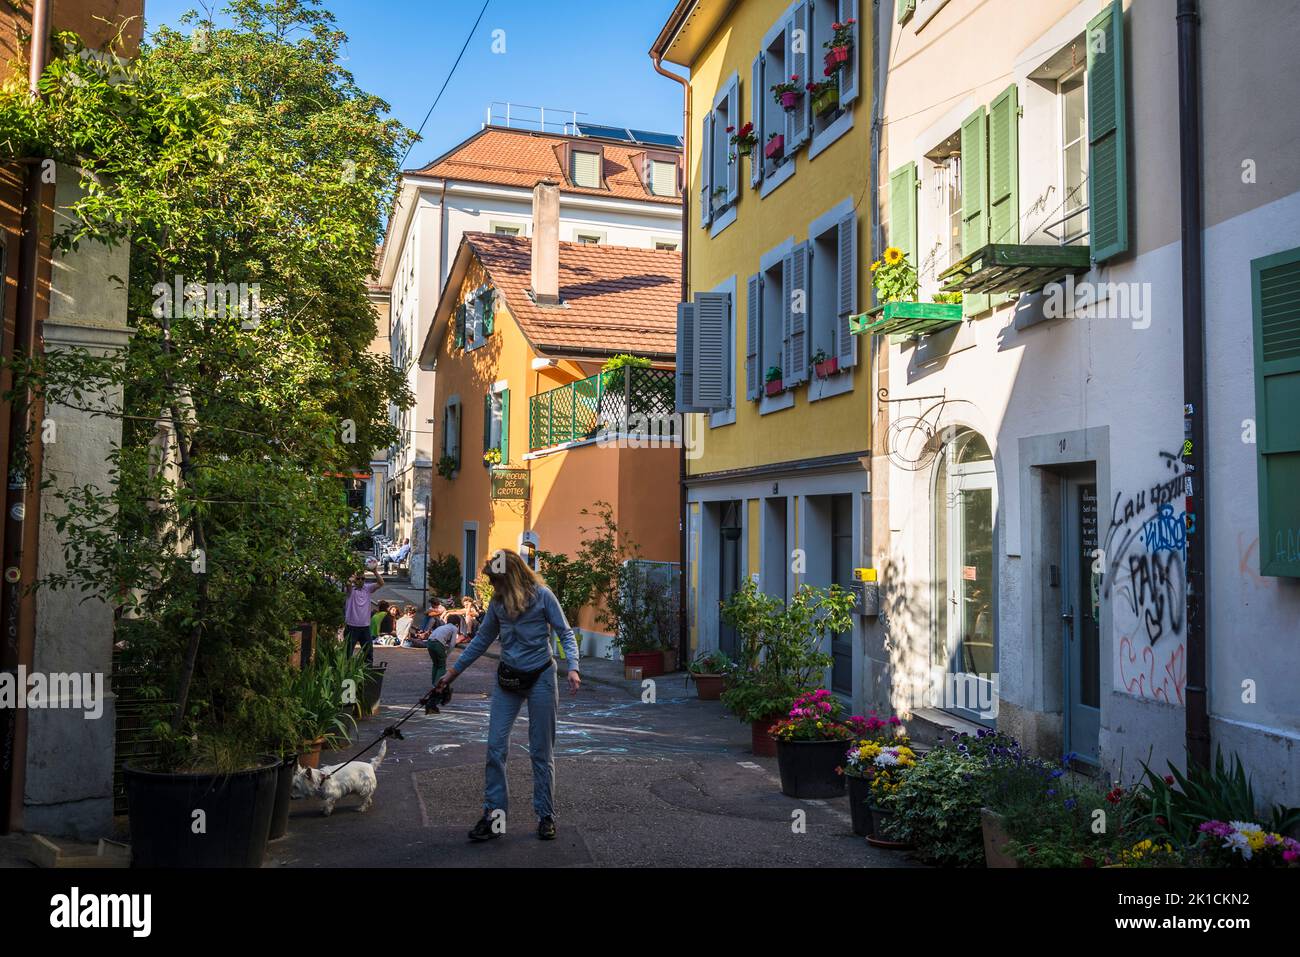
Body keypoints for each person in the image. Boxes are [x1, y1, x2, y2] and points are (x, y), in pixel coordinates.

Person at [434, 549, 580, 843]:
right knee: (495, 747)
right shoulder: (498, 603)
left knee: (541, 751)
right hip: (509, 678)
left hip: (541, 676)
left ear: (510, 579)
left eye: (496, 582)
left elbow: (565, 633)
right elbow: (482, 640)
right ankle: (494, 817)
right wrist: (452, 673)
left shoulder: (543, 596)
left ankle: (545, 815)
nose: (493, 589)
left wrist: (573, 668)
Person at [344, 565, 384, 662]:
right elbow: (348, 583)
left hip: (365, 626)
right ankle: (347, 672)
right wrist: (353, 579)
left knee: (368, 652)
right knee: (347, 653)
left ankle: (368, 671)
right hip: (352, 626)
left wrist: (375, 571)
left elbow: (381, 583)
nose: (361, 580)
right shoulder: (351, 590)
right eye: (359, 578)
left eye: (363, 578)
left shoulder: (367, 588)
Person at [424, 614, 461, 713]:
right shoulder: (454, 628)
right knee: (441, 665)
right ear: (457, 624)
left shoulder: (442, 626)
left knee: (435, 664)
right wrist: (447, 654)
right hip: (438, 643)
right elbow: (452, 644)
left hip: (430, 642)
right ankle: (438, 686)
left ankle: (433, 683)